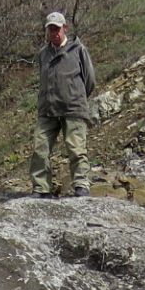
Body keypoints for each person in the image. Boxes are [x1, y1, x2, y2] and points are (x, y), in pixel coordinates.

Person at [32, 11, 96, 198]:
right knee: (40, 148)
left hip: (73, 108)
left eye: (57, 29)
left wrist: (76, 97)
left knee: (76, 149)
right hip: (48, 109)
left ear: (65, 28)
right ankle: (41, 188)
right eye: (50, 29)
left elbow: (90, 80)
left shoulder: (78, 50)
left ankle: (81, 185)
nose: (54, 33)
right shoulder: (43, 54)